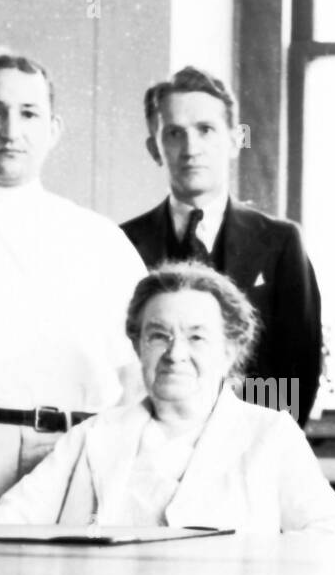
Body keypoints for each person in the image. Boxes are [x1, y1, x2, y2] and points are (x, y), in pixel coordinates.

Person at [0, 54, 148, 521]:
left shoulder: (101, 240)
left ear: (53, 129)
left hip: (74, 448)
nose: (10, 130)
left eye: (28, 113)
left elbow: (137, 373)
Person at [0, 262, 335, 534]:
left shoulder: (271, 433)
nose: (175, 354)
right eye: (158, 336)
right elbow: (3, 524)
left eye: (197, 338)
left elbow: (329, 534)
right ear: (138, 346)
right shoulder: (94, 434)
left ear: (230, 350)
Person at [121, 67, 323, 426]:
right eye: (174, 134)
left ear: (234, 140)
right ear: (155, 149)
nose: (191, 148)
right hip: (149, 448)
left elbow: (298, 364)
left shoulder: (280, 242)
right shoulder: (123, 243)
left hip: (248, 446)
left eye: (205, 130)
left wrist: (256, 444)